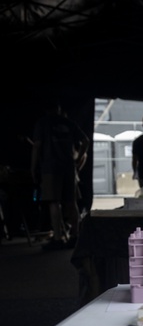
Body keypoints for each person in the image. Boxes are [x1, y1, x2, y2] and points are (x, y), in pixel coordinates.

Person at [30, 104, 90, 249]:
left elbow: (37, 147)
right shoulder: (68, 123)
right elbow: (85, 141)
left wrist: (32, 168)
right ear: (59, 109)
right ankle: (75, 236)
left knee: (54, 202)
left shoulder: (43, 123)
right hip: (69, 168)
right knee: (71, 202)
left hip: (50, 168)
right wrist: (77, 160)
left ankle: (57, 238)